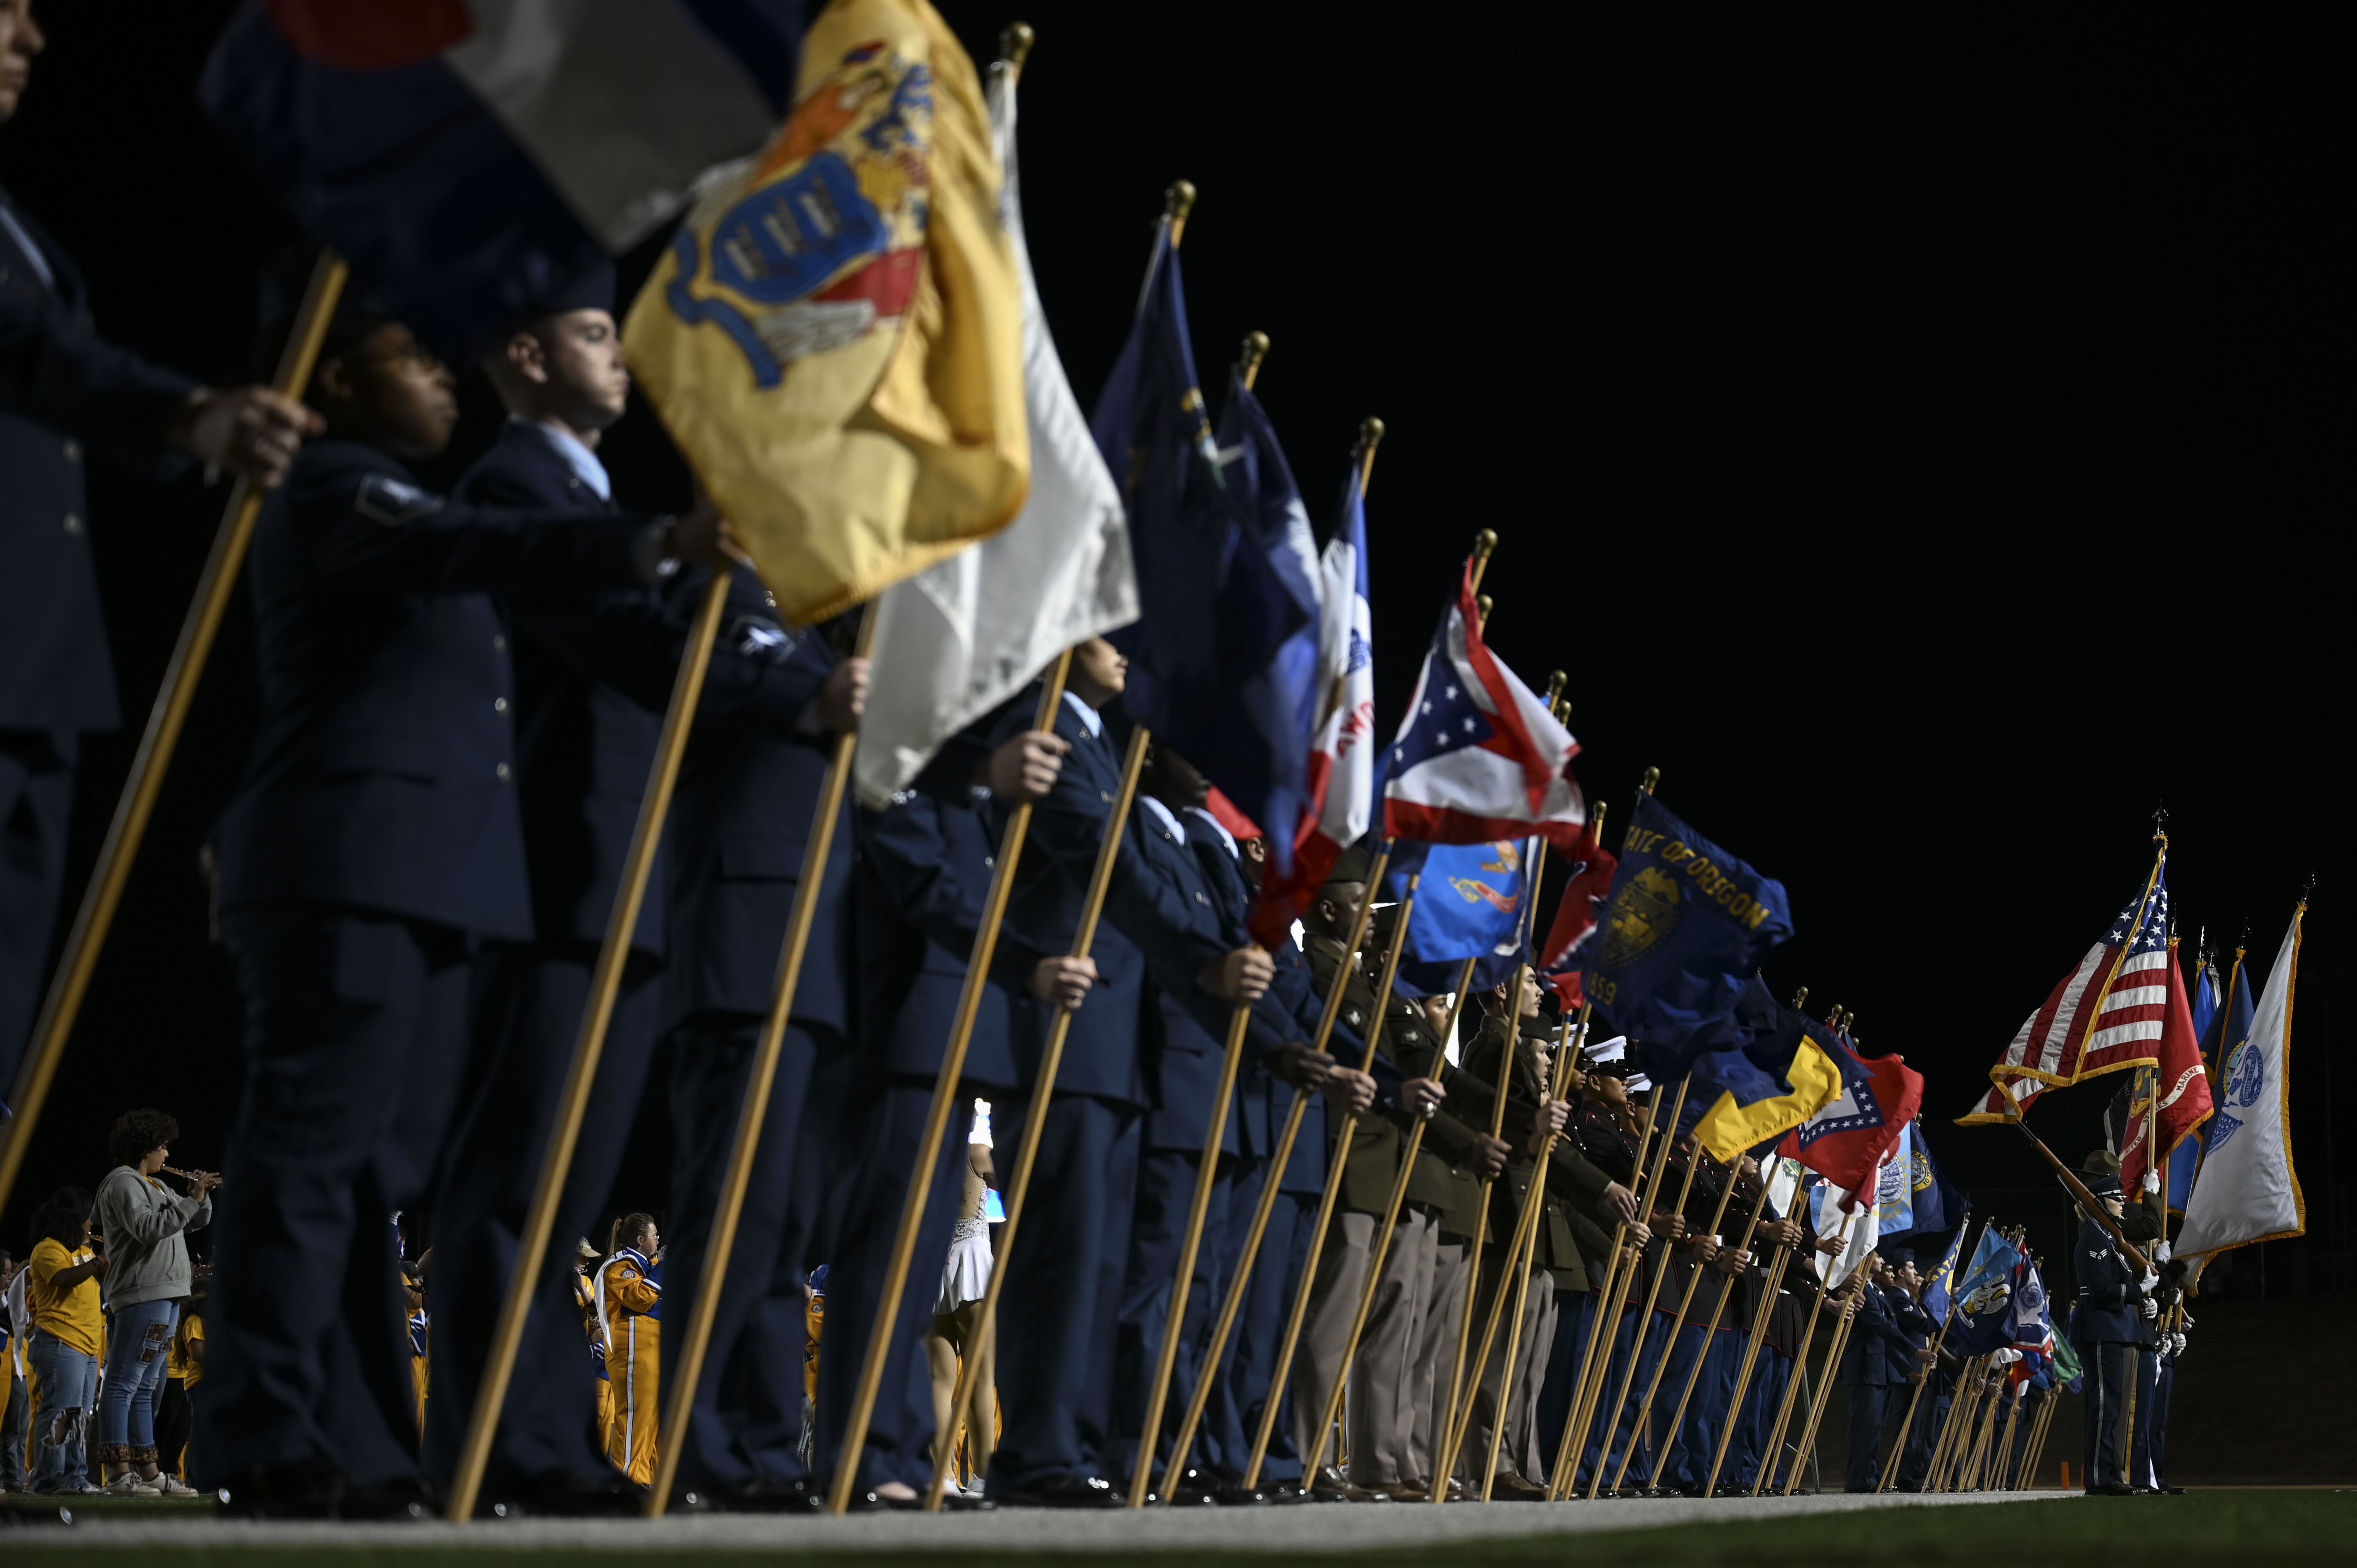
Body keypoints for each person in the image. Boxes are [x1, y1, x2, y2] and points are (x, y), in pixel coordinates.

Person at [196, 284, 728, 1517]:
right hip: (347, 865)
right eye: (408, 356)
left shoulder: (416, 505)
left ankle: (363, 1448)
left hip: (430, 882)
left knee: (375, 1177)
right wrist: (652, 544)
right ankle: (263, 1429)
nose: (443, 374)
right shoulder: (340, 490)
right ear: (333, 382)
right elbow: (479, 548)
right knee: (315, 1162)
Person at [0, 0, 322, 1096]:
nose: (35, 40)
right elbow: (32, 351)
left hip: (35, 677)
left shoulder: (24, 234)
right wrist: (185, 415)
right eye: (5, 14)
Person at [421, 263, 687, 1514]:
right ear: (525, 355)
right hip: (552, 869)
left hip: (621, 879)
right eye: (593, 332)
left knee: (567, 1190)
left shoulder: (591, 493)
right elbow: (616, 633)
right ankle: (494, 1443)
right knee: (515, 1178)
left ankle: (542, 1438)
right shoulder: (515, 486)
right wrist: (704, 582)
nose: (618, 354)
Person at [814, 719, 1074, 1509]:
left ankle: (892, 1447)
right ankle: (858, 1456)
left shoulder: (970, 788)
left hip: (957, 1032)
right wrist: (1025, 963)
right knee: (885, 1252)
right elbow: (926, 884)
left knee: (918, 1261)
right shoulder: (906, 762)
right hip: (905, 1026)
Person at [92, 1109, 214, 1495]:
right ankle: (117, 1473)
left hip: (166, 1296)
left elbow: (195, 1220)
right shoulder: (123, 1182)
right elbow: (148, 1229)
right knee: (123, 1382)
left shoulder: (158, 1186)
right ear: (146, 1146)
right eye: (162, 1146)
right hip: (143, 1293)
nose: (166, 1153)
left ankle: (147, 1471)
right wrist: (191, 1201)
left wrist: (201, 1196)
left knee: (145, 1386)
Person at [2073, 1159, 2157, 1495]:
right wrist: (2139, 1291)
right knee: (2105, 1404)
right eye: (2117, 1198)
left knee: (2113, 1406)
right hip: (2099, 1329)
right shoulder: (2095, 1238)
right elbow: (2100, 1290)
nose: (2124, 1202)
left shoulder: (2110, 1238)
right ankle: (2099, 1477)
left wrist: (2142, 1298)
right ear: (2101, 1201)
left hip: (2113, 1330)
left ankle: (2109, 1474)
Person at [22, 1186, 103, 1495]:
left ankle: (74, 1478)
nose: (91, 1225)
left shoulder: (83, 1251)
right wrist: (100, 1261)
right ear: (73, 1219)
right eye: (87, 1218)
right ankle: (47, 1479)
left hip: (86, 1345)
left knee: (77, 1418)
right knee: (58, 1412)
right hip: (59, 1340)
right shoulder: (48, 1248)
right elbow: (65, 1279)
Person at [595, 1216, 661, 1487]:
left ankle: (648, 1477)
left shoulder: (646, 1265)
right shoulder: (621, 1265)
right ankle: (627, 1482)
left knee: (652, 1419)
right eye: (654, 1235)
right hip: (633, 1347)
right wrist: (664, 1266)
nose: (658, 1240)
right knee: (635, 1415)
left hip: (651, 1348)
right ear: (640, 1239)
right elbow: (640, 1298)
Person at [157, 1264, 206, 1483]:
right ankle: (189, 1478)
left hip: (191, 1378)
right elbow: (198, 1353)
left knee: (184, 1432)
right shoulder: (194, 1320)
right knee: (184, 1433)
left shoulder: (201, 1320)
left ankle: (177, 1473)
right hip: (185, 1379)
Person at [0, 1248, 22, 1490]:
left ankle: (11, 1477)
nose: (9, 1278)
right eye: (5, 1273)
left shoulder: (6, 1297)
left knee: (12, 1426)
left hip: (12, 1365)